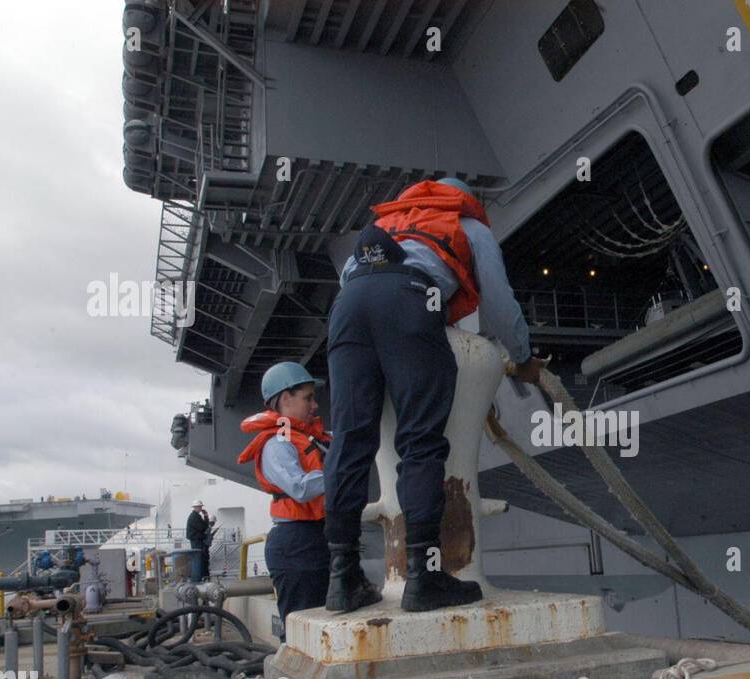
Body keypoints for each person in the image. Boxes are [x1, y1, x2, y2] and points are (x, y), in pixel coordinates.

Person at [322, 178, 544, 614]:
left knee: (349, 440)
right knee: (420, 441)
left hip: (347, 307)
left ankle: (342, 579)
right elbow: (498, 301)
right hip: (411, 299)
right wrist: (522, 355)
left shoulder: (386, 227)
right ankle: (424, 577)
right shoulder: (467, 225)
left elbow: (356, 286)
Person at [237, 361, 347, 635]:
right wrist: (341, 468)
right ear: (285, 399)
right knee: (302, 627)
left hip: (316, 538)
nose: (314, 405)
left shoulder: (311, 438)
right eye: (308, 398)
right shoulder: (278, 443)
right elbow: (300, 488)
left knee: (324, 622)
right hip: (295, 545)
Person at [185, 500, 215, 582]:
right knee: (200, 559)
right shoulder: (194, 517)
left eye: (201, 507)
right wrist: (206, 519)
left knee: (202, 558)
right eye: (199, 507)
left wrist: (205, 516)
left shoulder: (196, 516)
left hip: (198, 540)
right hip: (196, 540)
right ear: (195, 507)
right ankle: (201, 577)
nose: (200, 508)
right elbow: (203, 527)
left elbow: (204, 526)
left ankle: (203, 576)